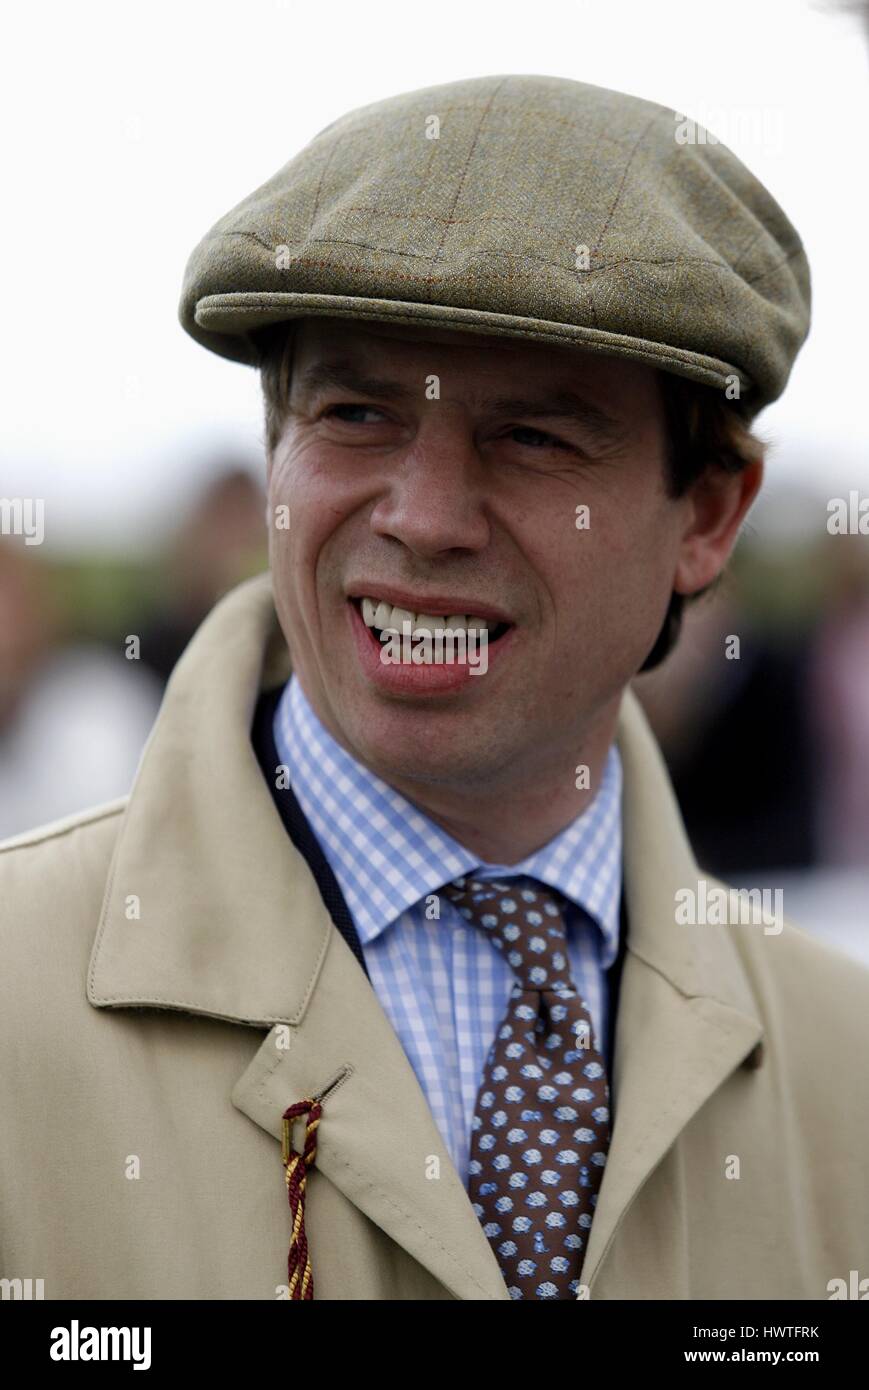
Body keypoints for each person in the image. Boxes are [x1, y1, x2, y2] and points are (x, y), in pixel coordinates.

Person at [1, 73, 867, 1302]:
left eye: (533, 438)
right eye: (354, 412)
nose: (421, 517)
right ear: (273, 453)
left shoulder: (844, 1069)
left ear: (709, 515)